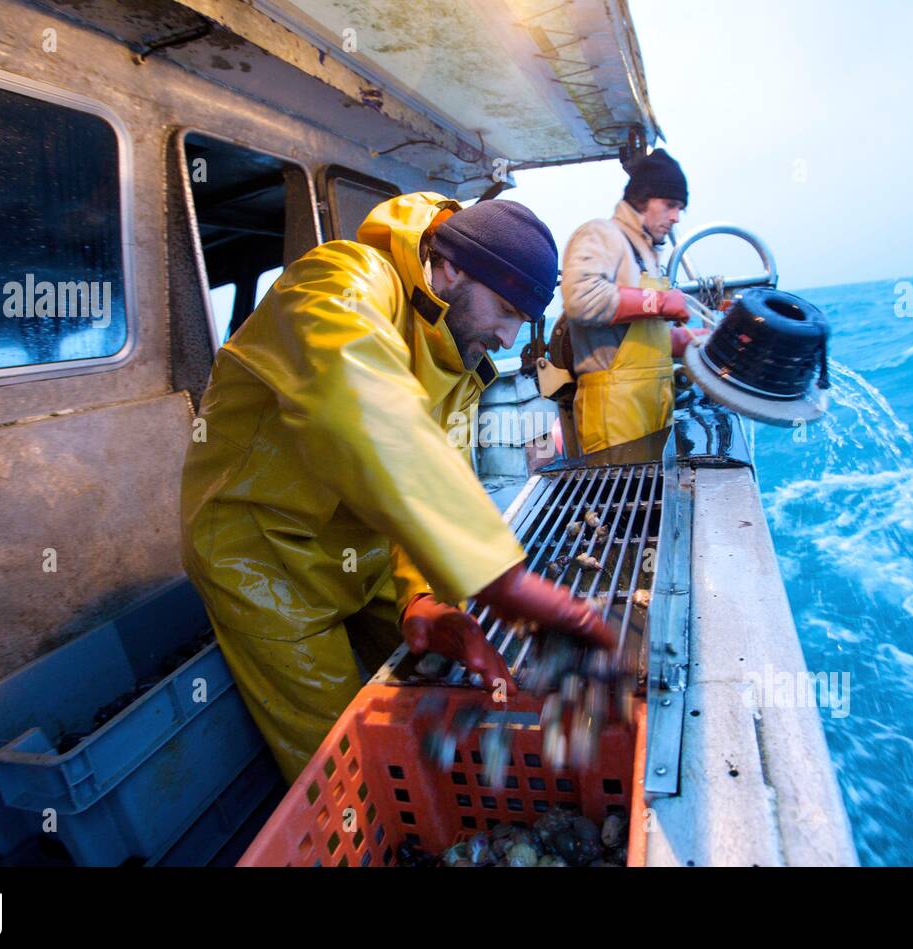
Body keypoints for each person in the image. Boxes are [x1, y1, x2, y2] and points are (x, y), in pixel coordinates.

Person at [180, 192, 614, 780]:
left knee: (459, 652)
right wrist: (500, 579)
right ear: (455, 266)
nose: (510, 340)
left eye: (522, 321)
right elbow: (357, 401)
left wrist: (419, 597)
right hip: (262, 551)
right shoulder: (337, 279)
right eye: (505, 310)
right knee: (342, 755)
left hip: (365, 544)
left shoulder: (461, 360)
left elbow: (436, 474)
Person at [560, 149, 706, 453]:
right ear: (642, 198)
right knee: (619, 498)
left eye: (680, 208)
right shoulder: (602, 233)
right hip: (614, 412)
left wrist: (700, 339)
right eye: (670, 205)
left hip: (654, 406)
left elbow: (642, 340)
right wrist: (662, 302)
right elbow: (581, 298)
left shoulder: (648, 254)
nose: (676, 217)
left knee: (651, 499)